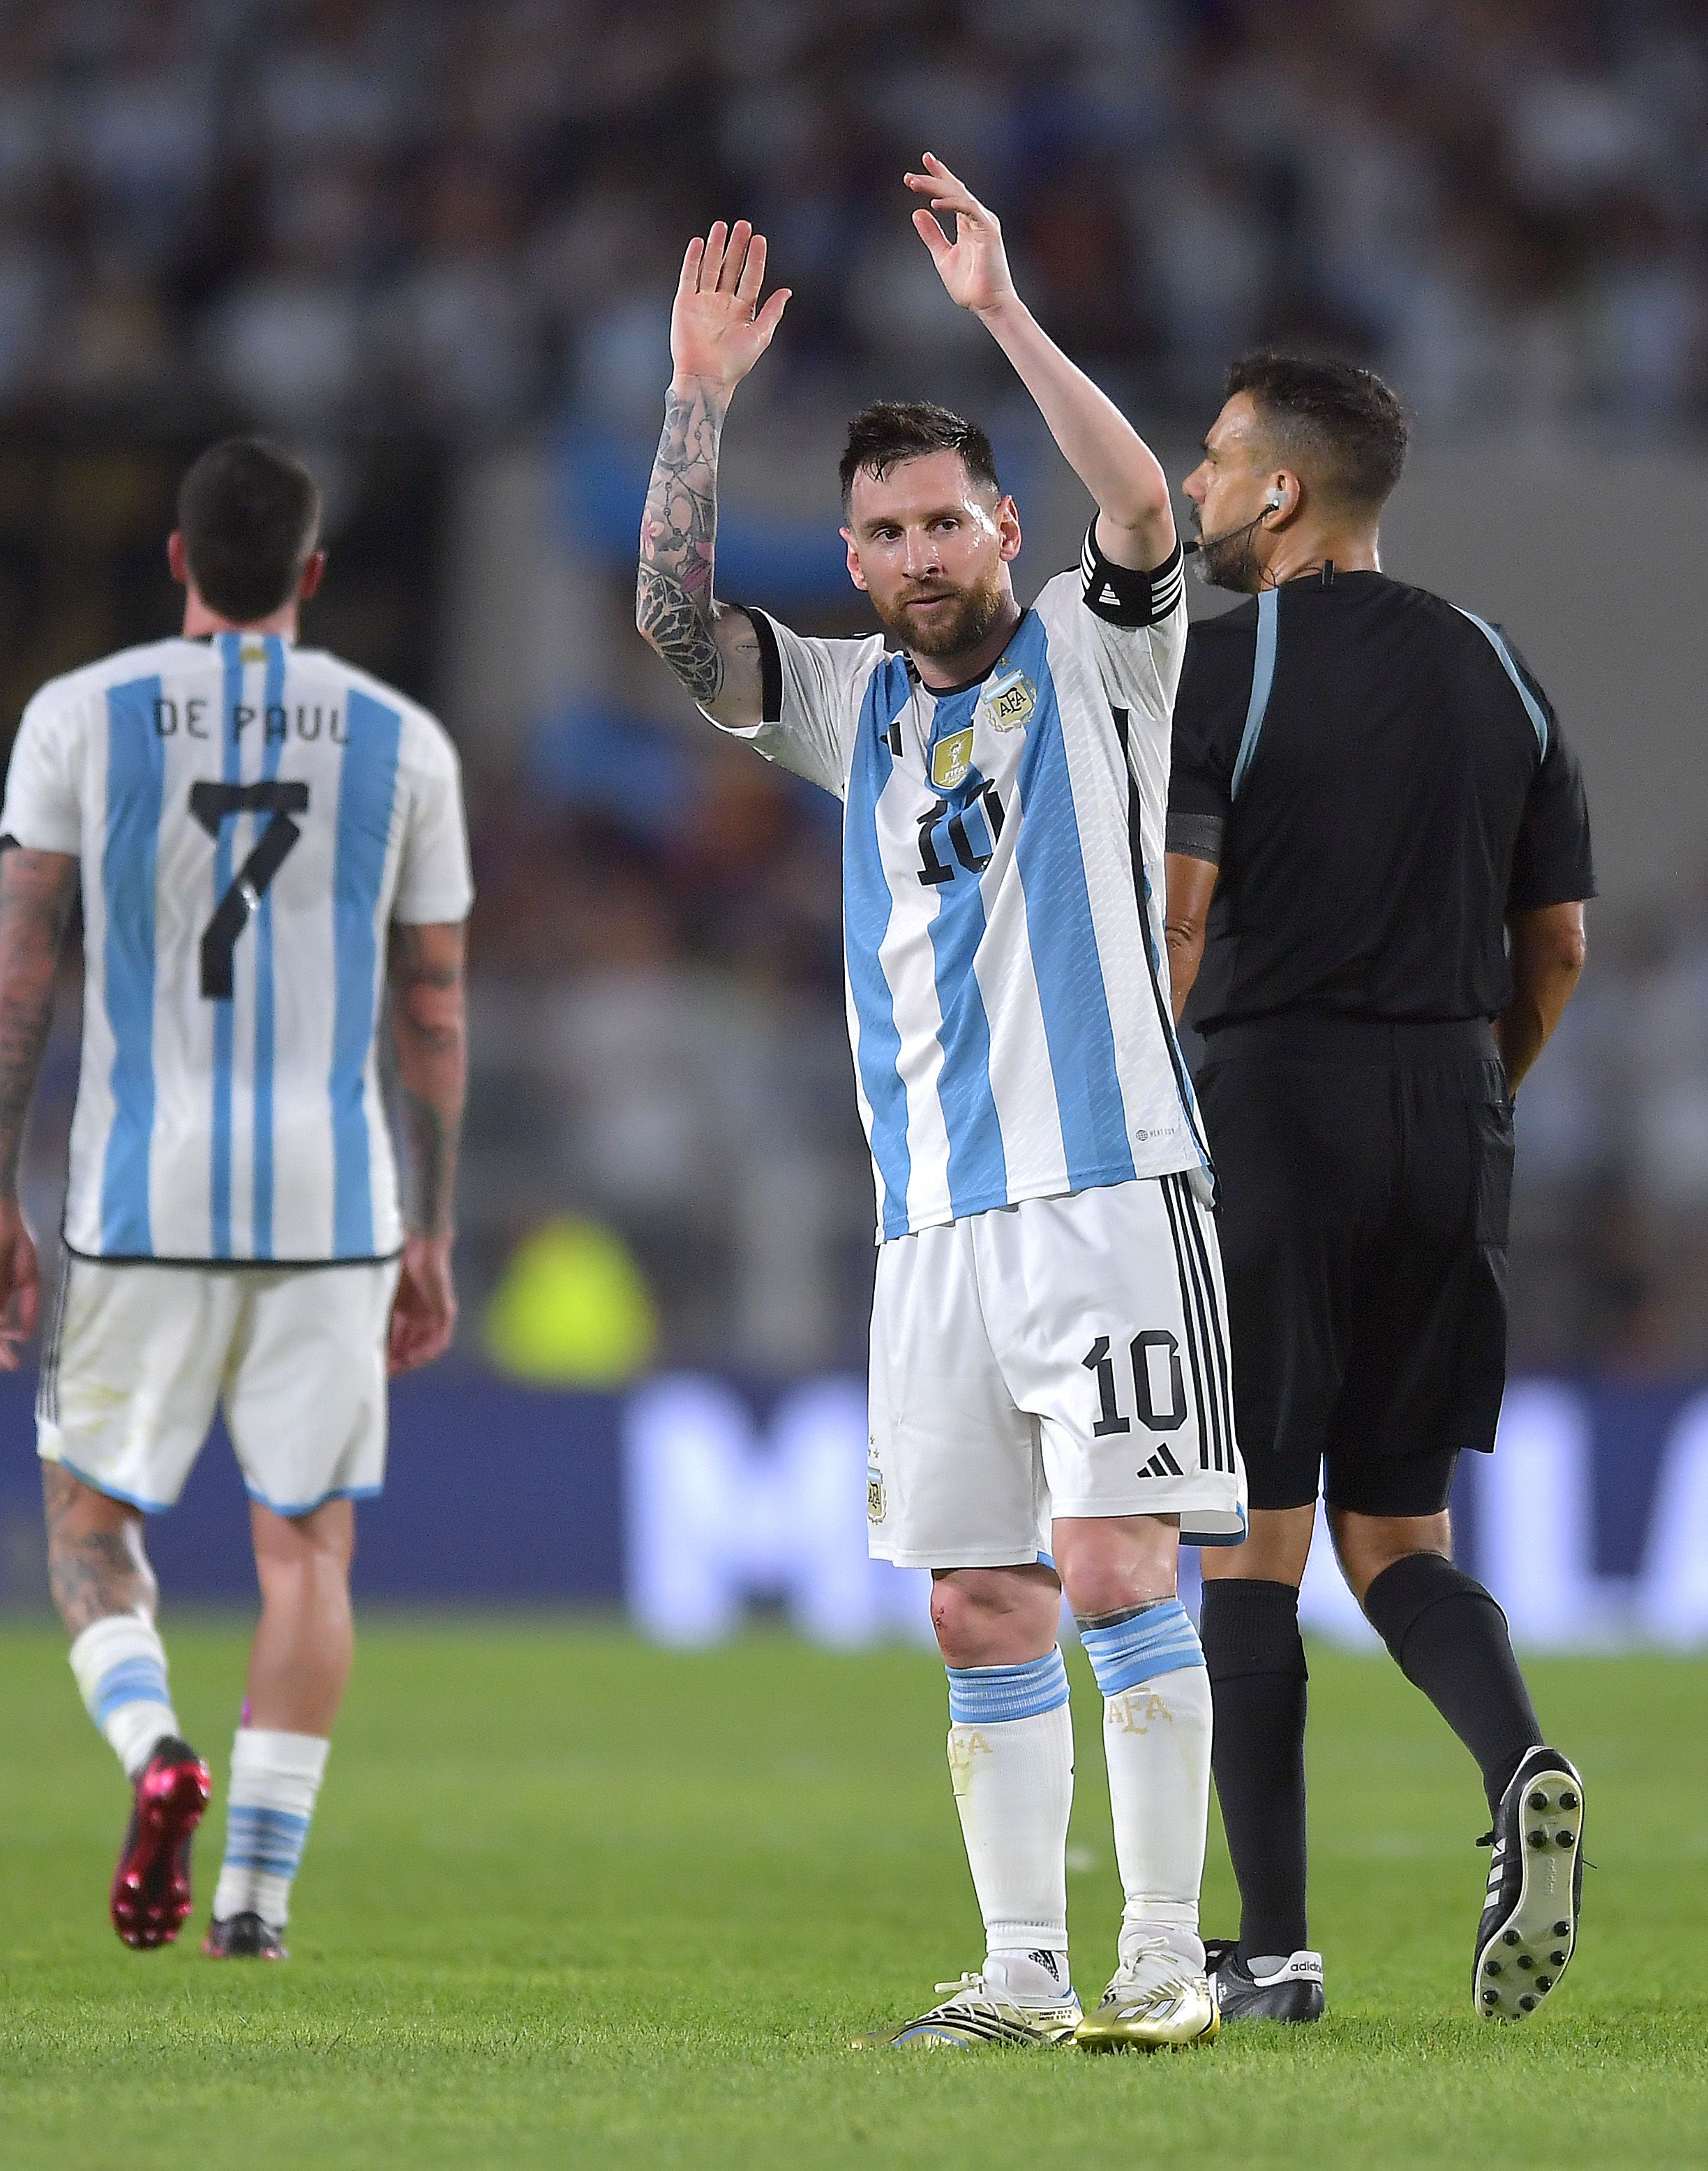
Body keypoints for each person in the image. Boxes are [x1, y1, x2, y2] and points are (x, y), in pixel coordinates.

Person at [631, 174, 1243, 2052]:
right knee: (981, 1604)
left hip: (1109, 1191)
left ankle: (1161, 1963)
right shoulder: (843, 707)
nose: (915, 557)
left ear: (1002, 526)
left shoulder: (1100, 652)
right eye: (882, 534)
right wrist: (696, 397)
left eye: (945, 523)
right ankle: (1022, 1979)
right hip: (932, 1236)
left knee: (1116, 1565)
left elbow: (1147, 511)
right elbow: (673, 629)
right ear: (855, 555)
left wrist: (1000, 312)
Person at [0, 438, 472, 1959]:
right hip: (332, 1198)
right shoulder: (402, 741)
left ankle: (151, 1751)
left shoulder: (80, 715)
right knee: (305, 1546)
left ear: (176, 562)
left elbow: (22, 960)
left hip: (138, 1187)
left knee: (90, 1521)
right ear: (311, 576)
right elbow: (433, 1006)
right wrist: (433, 1224)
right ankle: (255, 1891)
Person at [1159, 353, 1596, 2023]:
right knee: (1396, 1529)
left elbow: (1183, 913)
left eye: (1212, 463)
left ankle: (1268, 1945)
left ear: (1281, 491)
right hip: (1453, 1104)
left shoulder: (1227, 662)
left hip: (1276, 1107)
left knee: (1253, 1542)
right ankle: (1518, 1765)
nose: (1194, 490)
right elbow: (1554, 943)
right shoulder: (1501, 667)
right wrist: (1477, 1087)